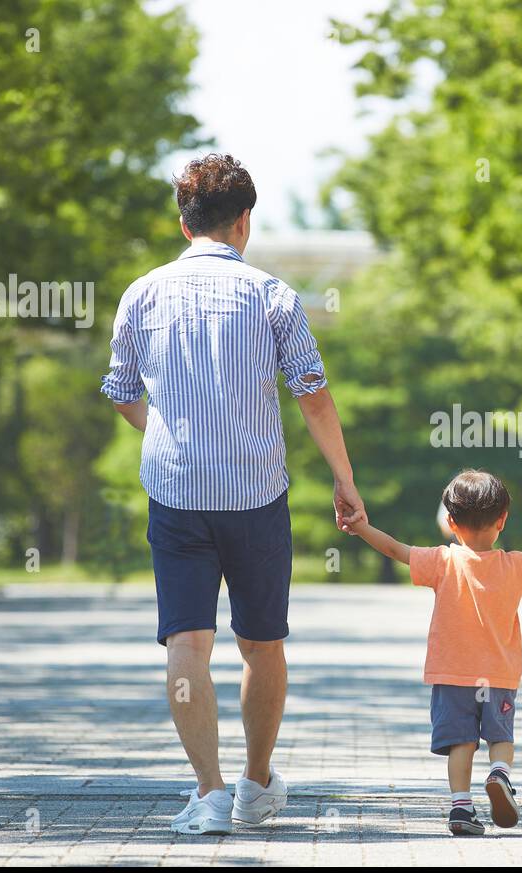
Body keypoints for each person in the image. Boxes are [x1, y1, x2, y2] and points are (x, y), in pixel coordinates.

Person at [100, 154, 365, 834]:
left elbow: (123, 393)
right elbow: (313, 396)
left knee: (188, 643)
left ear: (182, 222)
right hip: (255, 495)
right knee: (262, 643)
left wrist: (165, 430)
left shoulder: (144, 294)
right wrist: (344, 478)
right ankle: (254, 785)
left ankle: (209, 792)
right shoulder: (273, 296)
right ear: (245, 220)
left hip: (176, 492)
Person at [347, 469, 522, 835]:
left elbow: (394, 549)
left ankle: (461, 808)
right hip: (498, 675)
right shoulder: (517, 565)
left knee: (460, 742)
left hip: (452, 675)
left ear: (450, 522)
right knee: (501, 737)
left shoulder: (441, 561)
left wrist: (361, 527)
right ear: (502, 520)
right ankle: (500, 773)